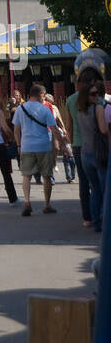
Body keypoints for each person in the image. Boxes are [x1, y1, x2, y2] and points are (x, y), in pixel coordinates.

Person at [65, 60, 106, 228]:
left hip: (78, 144)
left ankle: (87, 217)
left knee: (84, 182)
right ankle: (100, 217)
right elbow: (103, 128)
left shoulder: (70, 100)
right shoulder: (98, 103)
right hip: (96, 146)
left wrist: (69, 141)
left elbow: (69, 126)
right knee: (100, 184)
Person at [13, 83, 61, 216]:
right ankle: (47, 204)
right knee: (46, 176)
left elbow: (16, 130)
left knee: (26, 176)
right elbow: (54, 128)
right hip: (43, 146)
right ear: (41, 94)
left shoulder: (20, 108)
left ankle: (27, 202)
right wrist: (61, 144)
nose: (44, 98)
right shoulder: (45, 109)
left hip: (26, 146)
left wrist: (18, 145)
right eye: (43, 96)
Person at [77, 76, 109, 234]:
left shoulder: (80, 111)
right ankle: (103, 221)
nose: (97, 96)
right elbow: (103, 129)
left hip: (85, 152)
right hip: (99, 152)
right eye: (93, 94)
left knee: (95, 189)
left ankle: (96, 222)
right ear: (87, 96)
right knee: (104, 189)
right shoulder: (98, 108)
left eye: (97, 93)